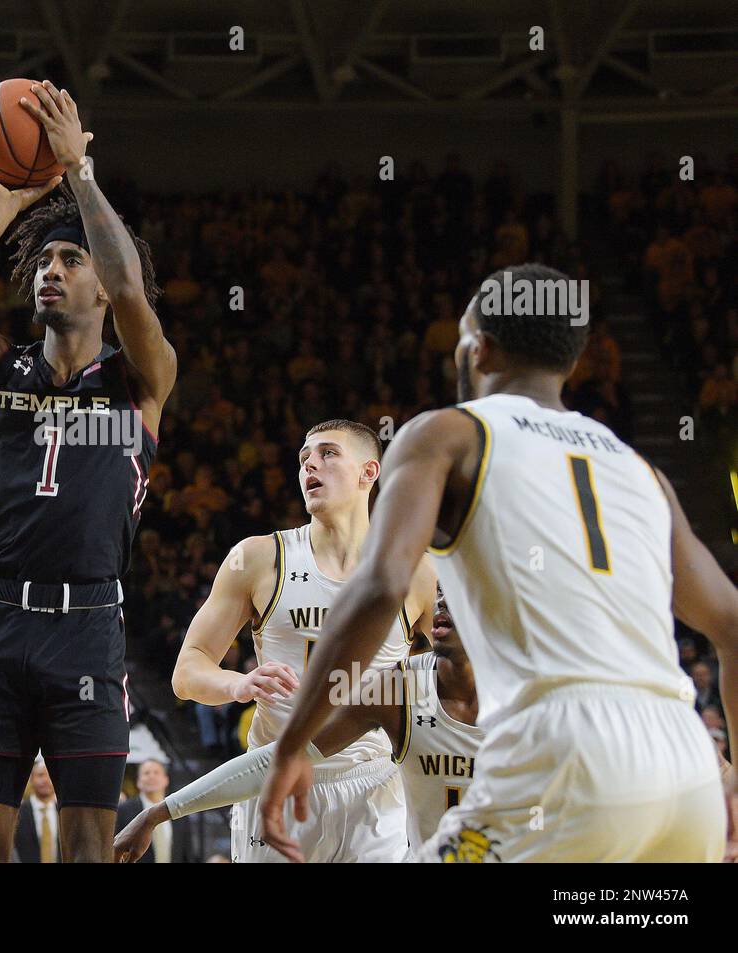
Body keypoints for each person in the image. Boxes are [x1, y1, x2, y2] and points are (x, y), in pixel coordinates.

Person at [263, 263, 737, 862]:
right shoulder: (641, 472)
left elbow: (381, 585)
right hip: (685, 771)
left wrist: (291, 744)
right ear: (569, 362)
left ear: (478, 349)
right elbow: (732, 626)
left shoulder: (446, 435)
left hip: (564, 758)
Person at [0, 80, 176, 862]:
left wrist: (81, 172)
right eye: (46, 260)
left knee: (88, 849)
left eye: (72, 259)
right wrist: (3, 202)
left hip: (89, 625)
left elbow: (132, 284)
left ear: (100, 281)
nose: (52, 271)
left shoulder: (141, 378)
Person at [171, 420, 437, 862]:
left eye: (328, 453)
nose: (310, 463)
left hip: (376, 785)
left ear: (368, 473)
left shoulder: (418, 571)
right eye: (304, 458)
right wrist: (237, 685)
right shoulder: (258, 558)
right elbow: (186, 673)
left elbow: (459, 679)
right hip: (275, 774)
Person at [115, 591, 483, 861]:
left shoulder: (535, 698)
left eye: (457, 590)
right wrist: (160, 811)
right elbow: (277, 759)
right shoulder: (392, 691)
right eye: (438, 592)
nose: (442, 601)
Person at [113, 758, 194, 863]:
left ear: (166, 780)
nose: (151, 776)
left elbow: (187, 854)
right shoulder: (123, 810)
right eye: (146, 773)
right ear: (138, 781)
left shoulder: (180, 810)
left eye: (156, 772)